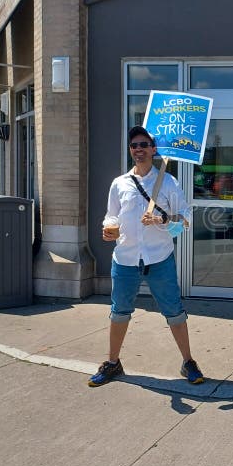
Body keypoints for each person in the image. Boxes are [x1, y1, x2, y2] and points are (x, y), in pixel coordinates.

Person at [89, 126, 204, 387]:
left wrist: (162, 218)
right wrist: (108, 228)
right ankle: (113, 363)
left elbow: (185, 219)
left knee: (174, 312)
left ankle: (188, 362)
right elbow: (111, 215)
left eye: (143, 144)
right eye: (134, 146)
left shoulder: (168, 182)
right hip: (125, 259)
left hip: (159, 259)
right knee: (119, 312)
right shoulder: (119, 184)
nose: (138, 149)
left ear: (154, 149)